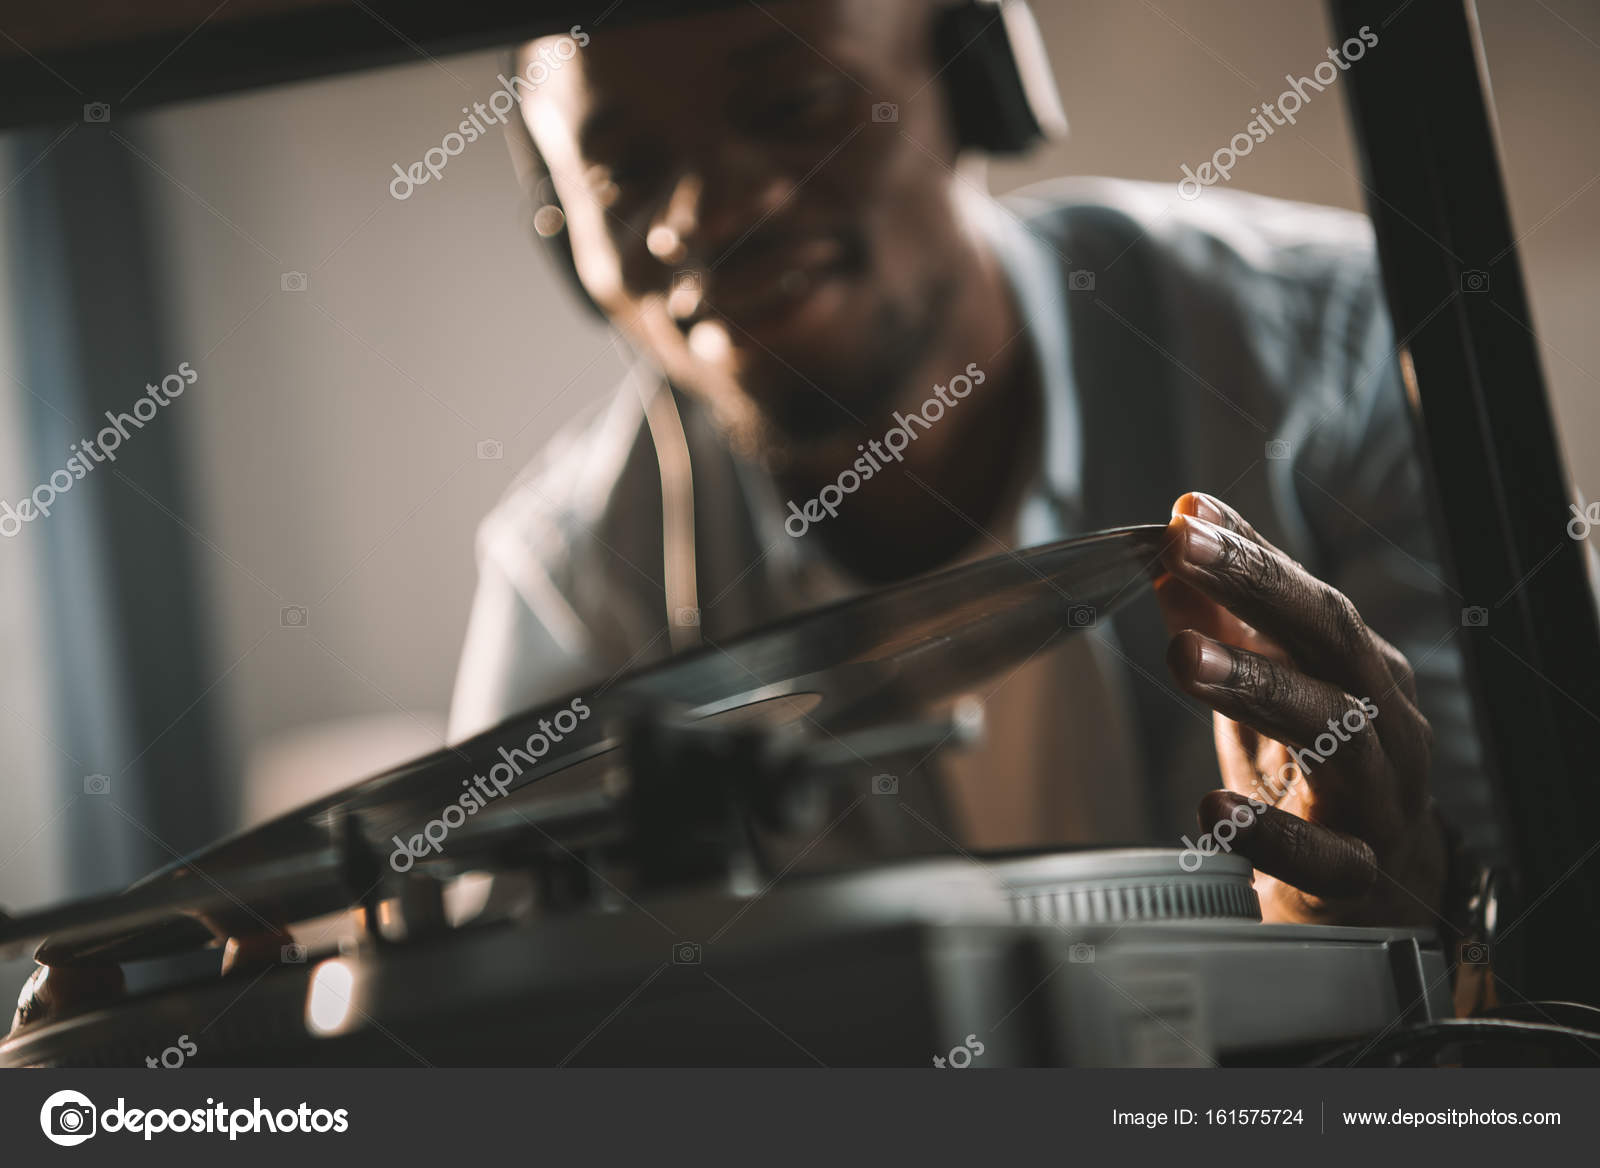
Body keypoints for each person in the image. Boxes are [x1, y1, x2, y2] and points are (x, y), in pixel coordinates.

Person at [448, 0, 1492, 931]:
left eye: (793, 105)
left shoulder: (1351, 346)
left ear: (971, 73)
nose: (704, 217)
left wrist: (1382, 898)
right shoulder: (570, 585)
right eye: (620, 172)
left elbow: (1541, 904)